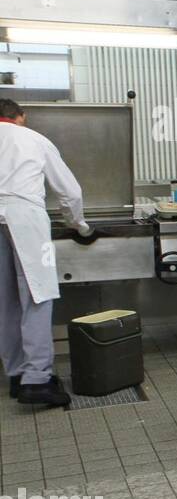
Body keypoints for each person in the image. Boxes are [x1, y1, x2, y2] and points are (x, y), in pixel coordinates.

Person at [0, 98, 95, 407]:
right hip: (24, 218)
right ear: (20, 117)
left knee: (5, 302)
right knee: (38, 295)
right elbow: (70, 191)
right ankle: (37, 381)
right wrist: (79, 226)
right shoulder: (33, 139)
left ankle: (16, 374)